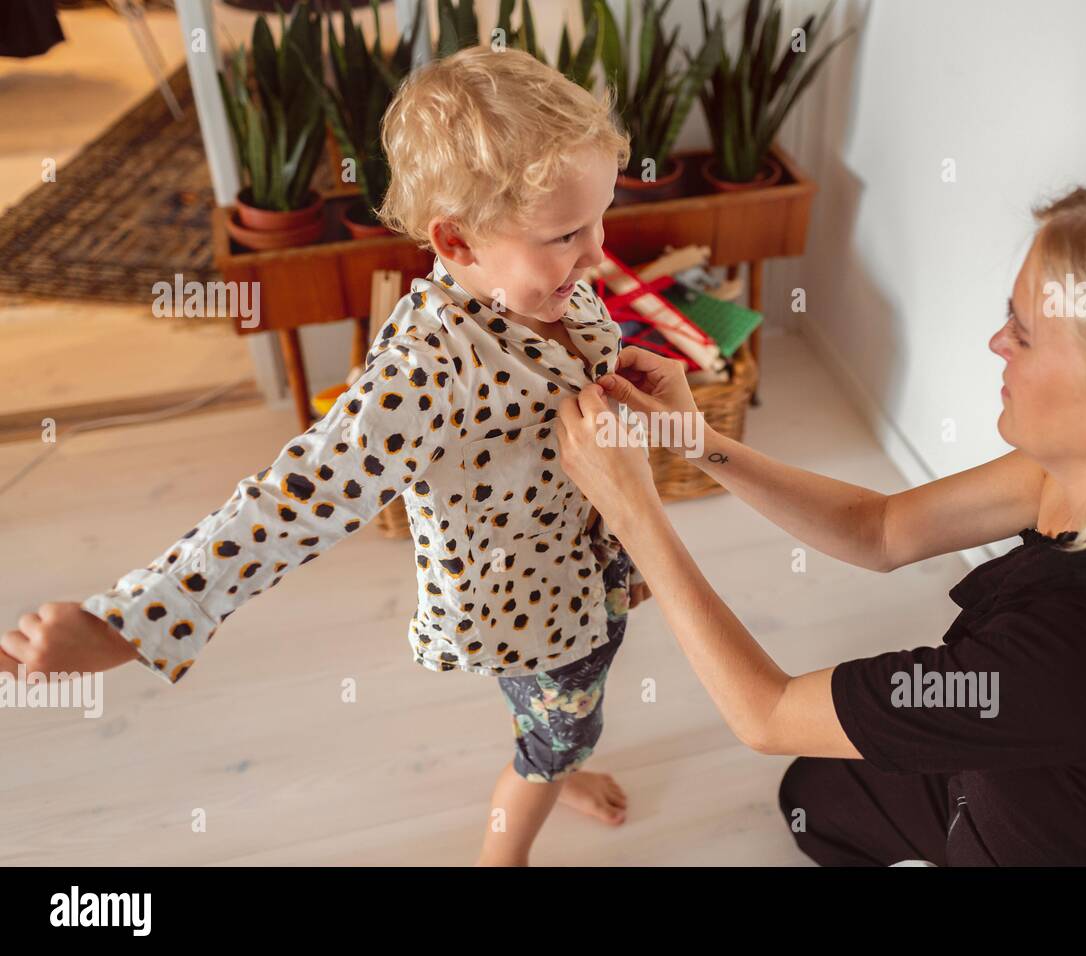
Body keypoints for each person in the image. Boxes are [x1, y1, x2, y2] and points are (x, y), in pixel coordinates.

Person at [3, 47, 652, 868]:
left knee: (562, 714)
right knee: (556, 728)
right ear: (456, 242)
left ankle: (559, 756)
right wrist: (129, 626)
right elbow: (290, 501)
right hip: (536, 612)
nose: (598, 254)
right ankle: (517, 829)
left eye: (600, 219)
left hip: (589, 563)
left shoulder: (540, 284)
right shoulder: (426, 370)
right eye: (566, 234)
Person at [555, 179, 1086, 865]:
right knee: (811, 799)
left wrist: (635, 515)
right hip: (1016, 765)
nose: (996, 343)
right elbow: (880, 530)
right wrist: (704, 446)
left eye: (1025, 332)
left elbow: (767, 713)